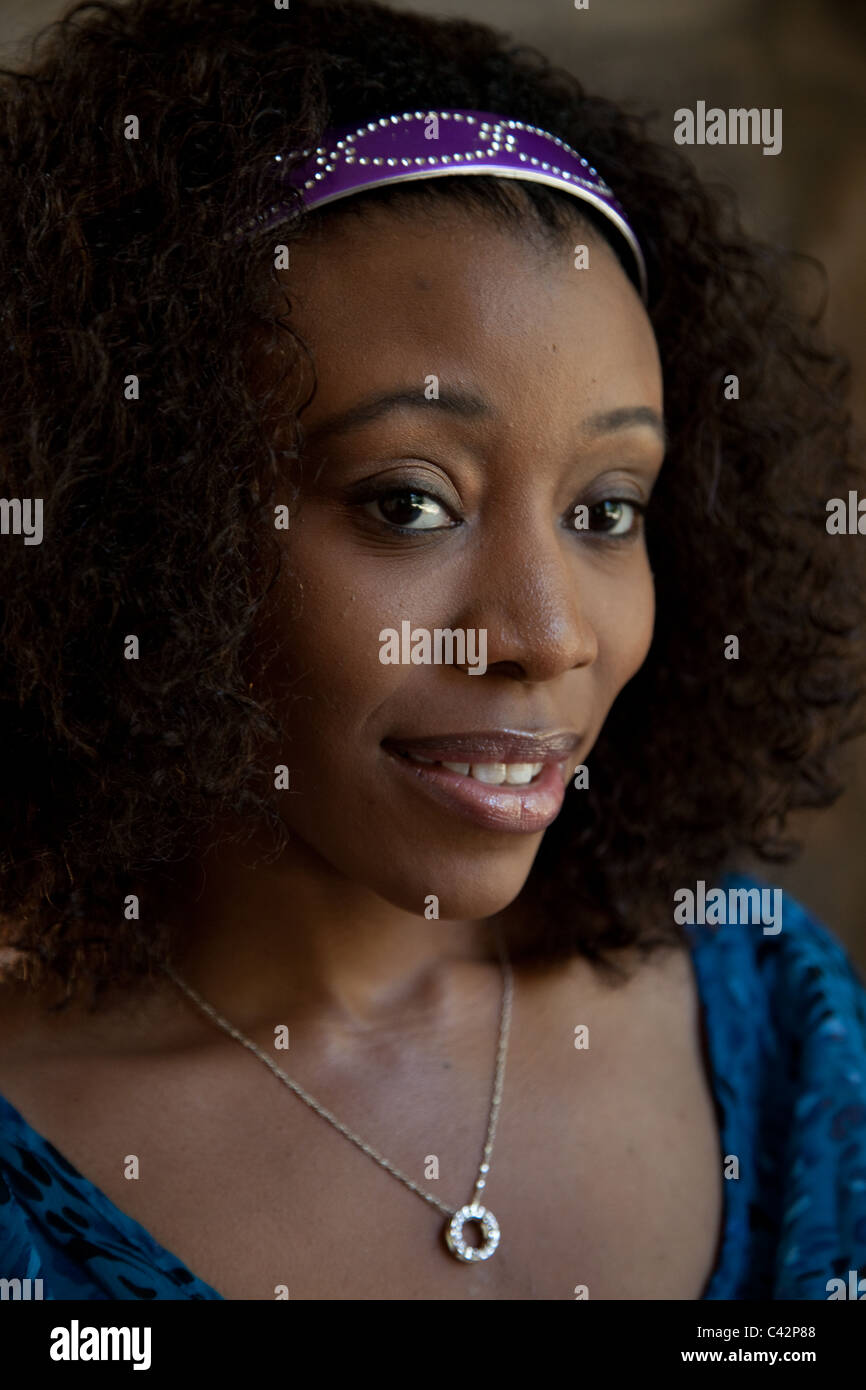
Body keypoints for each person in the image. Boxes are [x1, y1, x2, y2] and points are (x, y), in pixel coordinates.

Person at [0, 0, 865, 1302]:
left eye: (604, 510)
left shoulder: (784, 1019)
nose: (549, 633)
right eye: (408, 500)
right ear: (136, 523)